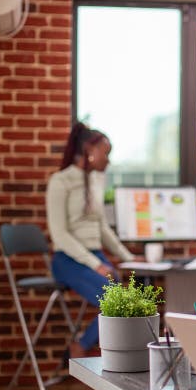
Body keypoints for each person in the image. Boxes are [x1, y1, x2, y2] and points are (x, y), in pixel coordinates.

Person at [47, 121, 134, 358]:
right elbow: (59, 235)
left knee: (127, 302)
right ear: (89, 151)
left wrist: (130, 258)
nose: (108, 159)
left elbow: (102, 227)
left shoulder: (96, 181)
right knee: (116, 303)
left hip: (95, 255)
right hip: (68, 260)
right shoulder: (60, 182)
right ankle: (81, 347)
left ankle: (83, 347)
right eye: (105, 153)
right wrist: (95, 264)